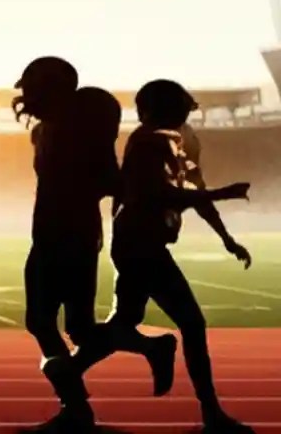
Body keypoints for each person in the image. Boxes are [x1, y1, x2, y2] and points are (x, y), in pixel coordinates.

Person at [46, 79, 253, 433]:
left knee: (124, 323)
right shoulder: (147, 143)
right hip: (140, 244)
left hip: (141, 243)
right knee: (191, 323)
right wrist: (222, 198)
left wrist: (226, 236)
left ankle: (70, 370)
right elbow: (154, 195)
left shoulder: (176, 141)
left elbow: (192, 191)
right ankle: (212, 413)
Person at [13, 57, 175, 430]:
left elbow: (108, 179)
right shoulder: (45, 130)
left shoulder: (79, 125)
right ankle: (146, 351)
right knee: (77, 328)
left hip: (71, 235)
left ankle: (77, 407)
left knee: (45, 321)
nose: (26, 94)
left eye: (33, 86)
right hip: (57, 233)